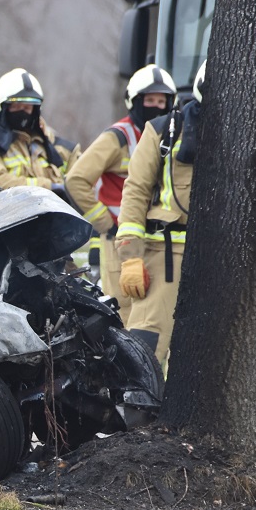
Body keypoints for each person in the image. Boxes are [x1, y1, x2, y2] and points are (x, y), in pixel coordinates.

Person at [66, 64, 177, 321]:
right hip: (121, 240)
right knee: (125, 310)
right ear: (134, 101)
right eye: (149, 100)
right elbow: (77, 179)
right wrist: (106, 222)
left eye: (163, 101)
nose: (156, 106)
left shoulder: (171, 136)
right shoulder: (119, 136)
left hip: (157, 239)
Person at [114, 61, 206, 366]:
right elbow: (136, 190)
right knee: (147, 344)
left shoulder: (245, 133)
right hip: (165, 255)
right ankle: (139, 411)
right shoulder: (164, 130)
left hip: (218, 257)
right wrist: (131, 257)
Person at [0, 68, 80, 197]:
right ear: (1, 106)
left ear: (36, 109)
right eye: (16, 106)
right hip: (1, 216)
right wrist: (49, 187)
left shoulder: (60, 149)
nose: (22, 112)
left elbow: (80, 185)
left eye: (27, 107)